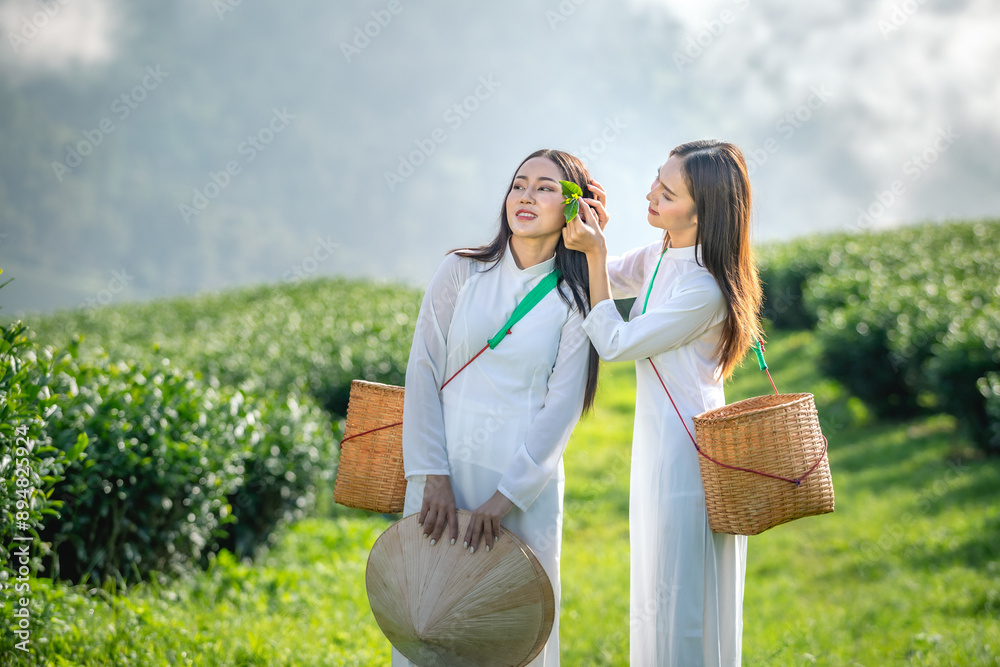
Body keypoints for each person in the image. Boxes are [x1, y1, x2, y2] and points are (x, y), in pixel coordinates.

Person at [397, 149, 607, 666]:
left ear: (573, 208)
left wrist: (504, 498)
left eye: (545, 187)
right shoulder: (460, 272)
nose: (526, 196)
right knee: (429, 621)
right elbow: (422, 372)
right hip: (441, 480)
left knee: (509, 634)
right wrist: (431, 476)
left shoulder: (574, 301)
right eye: (519, 184)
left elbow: (560, 412)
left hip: (519, 494)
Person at [563, 140, 763, 666]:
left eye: (667, 192)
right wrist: (591, 234)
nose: (650, 193)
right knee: (657, 586)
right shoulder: (662, 254)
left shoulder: (705, 288)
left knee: (683, 596)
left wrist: (598, 251)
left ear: (703, 214)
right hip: (657, 446)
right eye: (657, 179)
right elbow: (601, 280)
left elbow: (617, 341)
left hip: (690, 457)